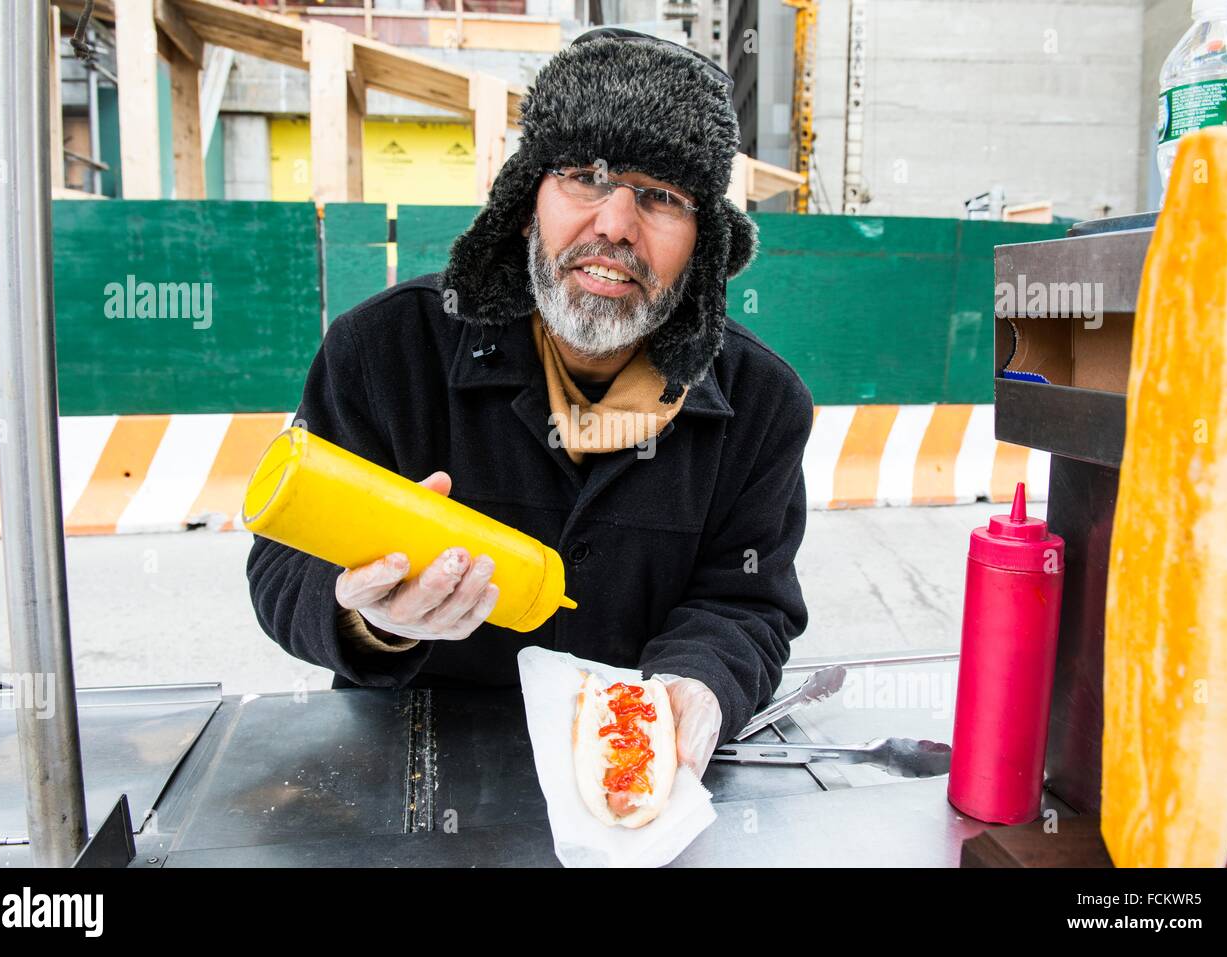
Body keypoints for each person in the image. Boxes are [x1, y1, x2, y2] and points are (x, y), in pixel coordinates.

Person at [247, 28, 813, 779]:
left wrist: (699, 685)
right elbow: (284, 565)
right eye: (585, 176)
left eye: (661, 197)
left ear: (703, 243)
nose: (615, 224)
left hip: (628, 780)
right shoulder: (385, 351)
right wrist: (367, 618)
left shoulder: (763, 404)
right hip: (402, 775)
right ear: (525, 203)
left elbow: (747, 604)